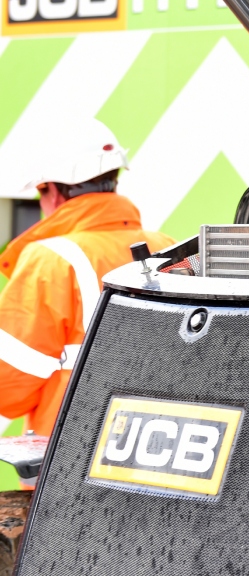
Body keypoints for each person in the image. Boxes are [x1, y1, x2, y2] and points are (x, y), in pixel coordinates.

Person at [0, 120, 173, 436]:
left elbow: (10, 381)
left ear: (50, 190)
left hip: (70, 457)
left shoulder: (51, 259)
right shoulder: (166, 247)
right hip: (159, 449)